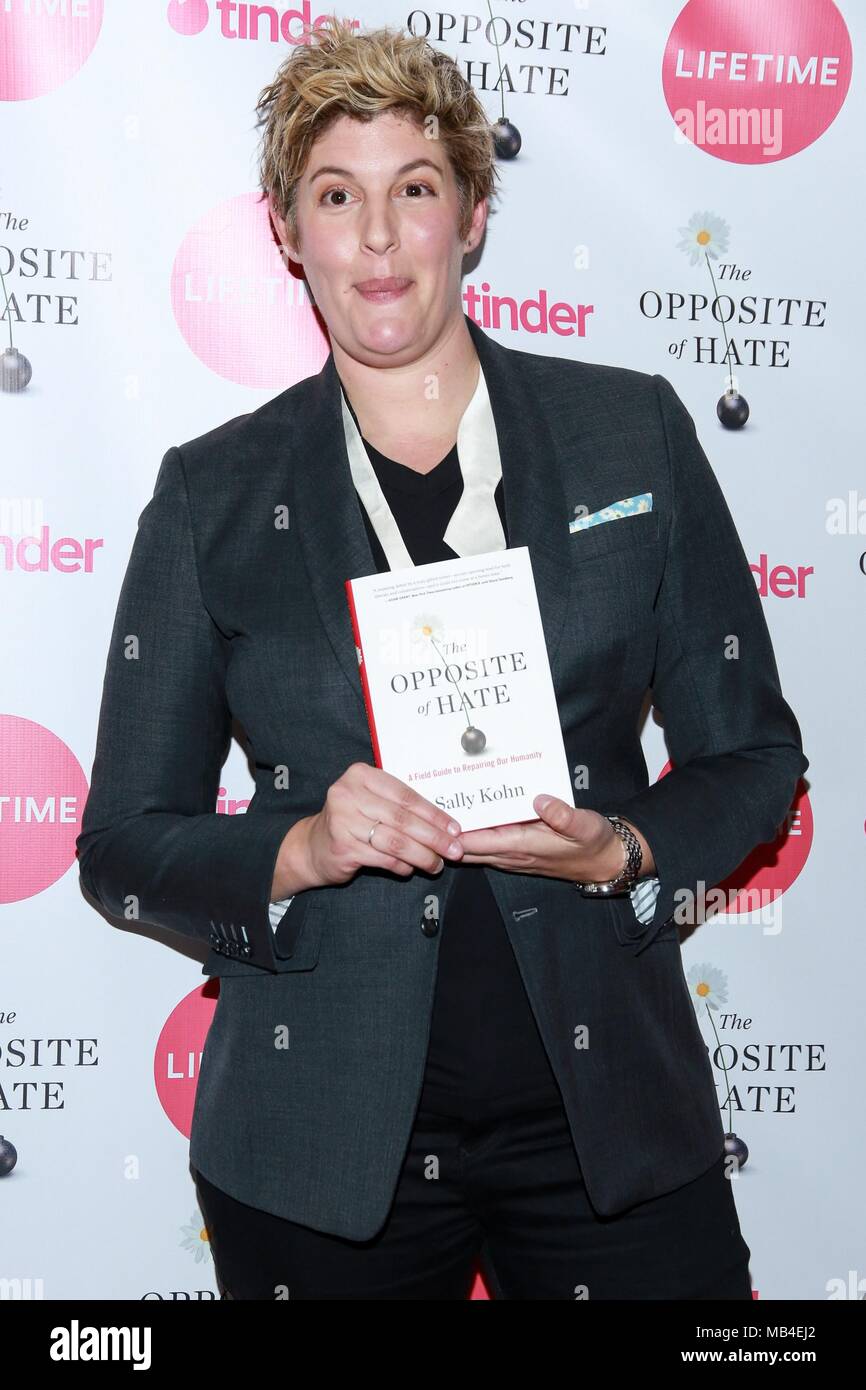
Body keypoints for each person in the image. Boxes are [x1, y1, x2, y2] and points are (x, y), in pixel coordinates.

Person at [76, 18, 808, 1300]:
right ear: (284, 231)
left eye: (412, 190)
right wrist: (292, 847)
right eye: (334, 195)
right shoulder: (213, 495)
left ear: (469, 215)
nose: (374, 236)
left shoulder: (628, 435)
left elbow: (754, 756)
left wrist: (624, 848)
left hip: (609, 1129)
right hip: (315, 1151)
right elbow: (122, 842)